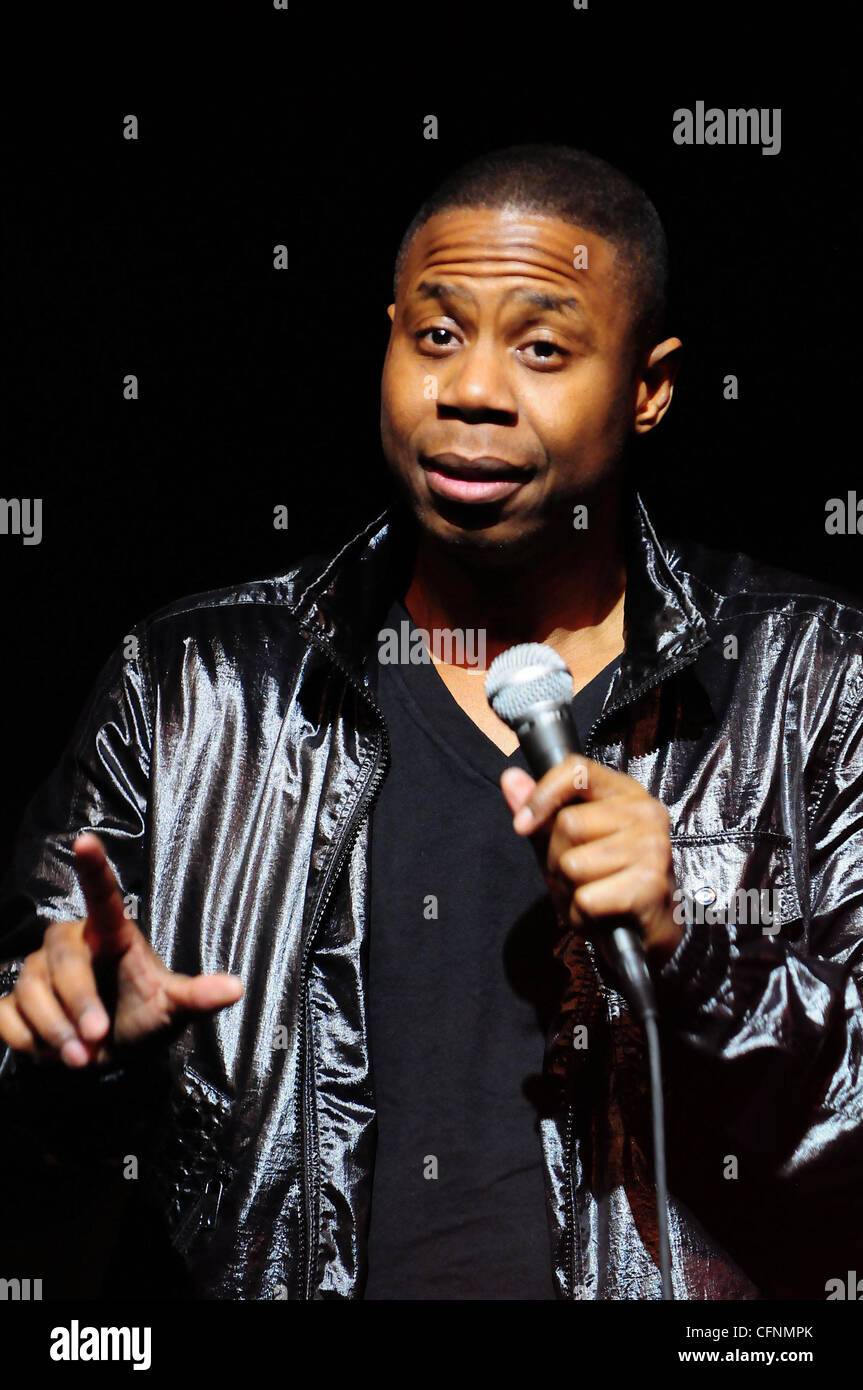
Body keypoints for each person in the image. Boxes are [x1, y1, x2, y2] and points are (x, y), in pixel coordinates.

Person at [1, 143, 862, 1301]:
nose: (469, 390)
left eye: (543, 347)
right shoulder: (189, 683)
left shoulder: (811, 678)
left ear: (650, 387)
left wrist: (690, 946)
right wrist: (78, 1047)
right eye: (437, 334)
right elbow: (36, 1096)